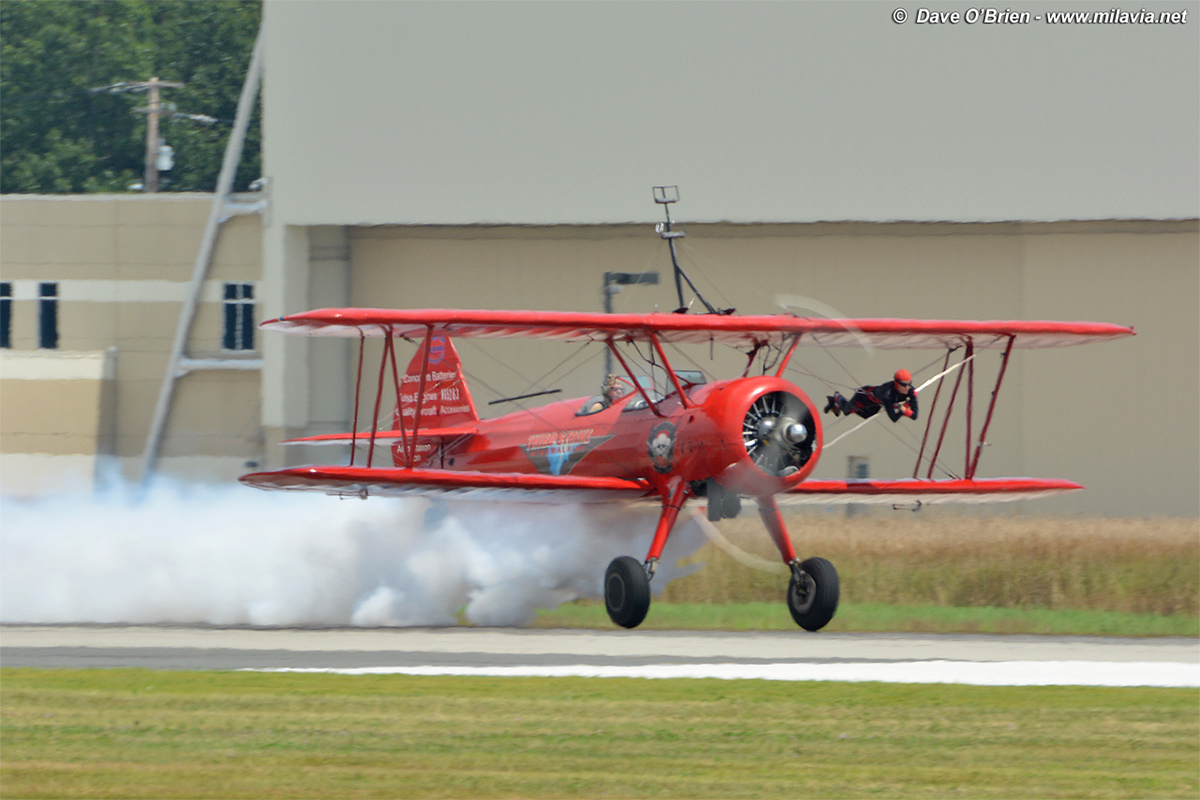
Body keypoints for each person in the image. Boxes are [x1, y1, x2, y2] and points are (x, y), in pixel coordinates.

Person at [824, 369, 919, 422]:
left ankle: (835, 405)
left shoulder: (910, 390)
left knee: (865, 415)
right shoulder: (887, 395)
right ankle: (837, 397)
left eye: (909, 384)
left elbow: (914, 416)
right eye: (903, 385)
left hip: (876, 403)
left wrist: (905, 408)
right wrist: (903, 410)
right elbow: (894, 418)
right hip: (863, 397)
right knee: (846, 411)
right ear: (897, 383)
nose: (907, 387)